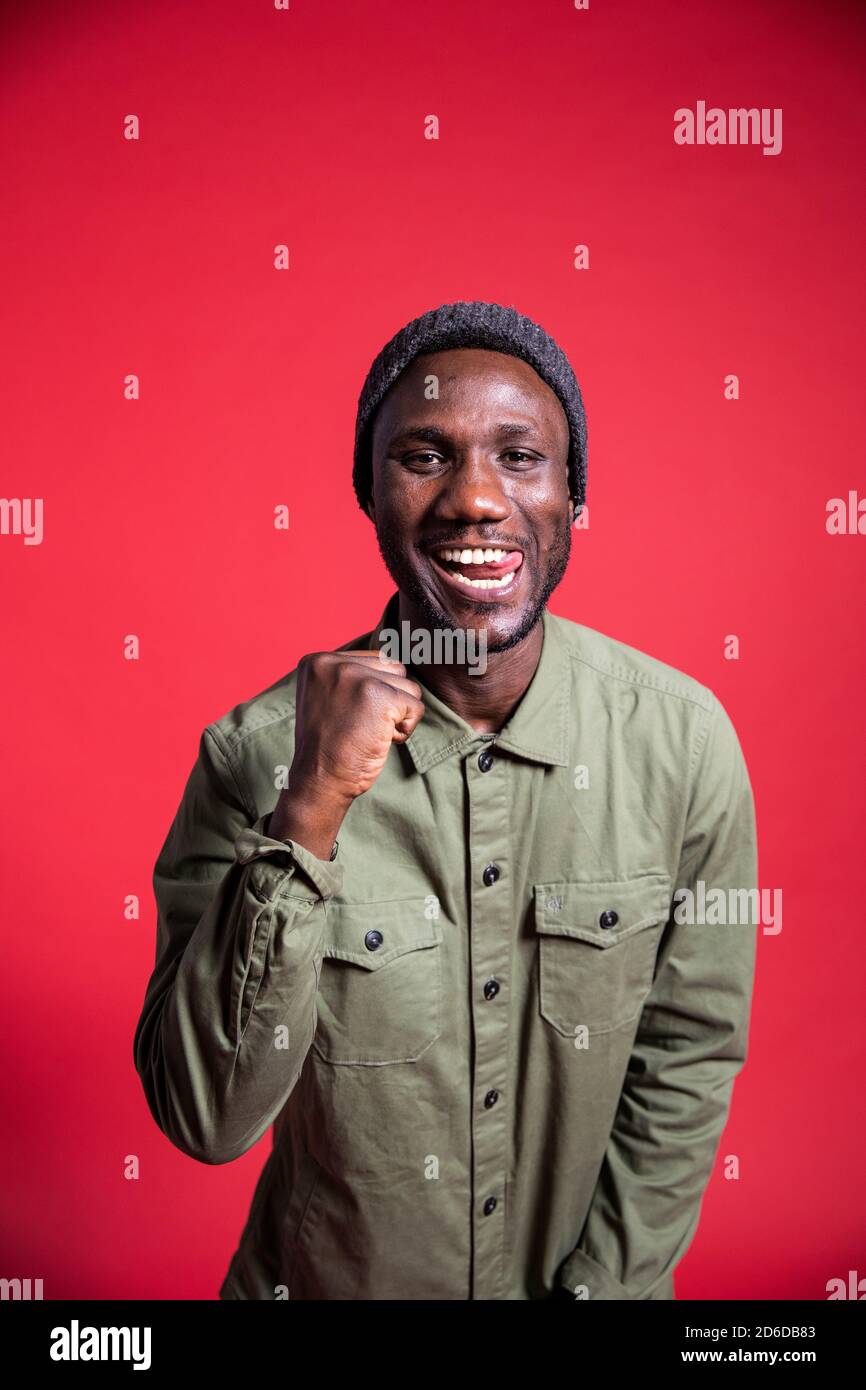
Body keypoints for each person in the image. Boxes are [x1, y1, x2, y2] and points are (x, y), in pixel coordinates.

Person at [133, 300, 759, 1300]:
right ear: (368, 496)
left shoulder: (681, 744)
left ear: (571, 497)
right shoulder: (253, 757)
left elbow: (684, 1058)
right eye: (422, 457)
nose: (474, 499)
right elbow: (204, 1117)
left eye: (519, 457)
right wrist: (309, 811)